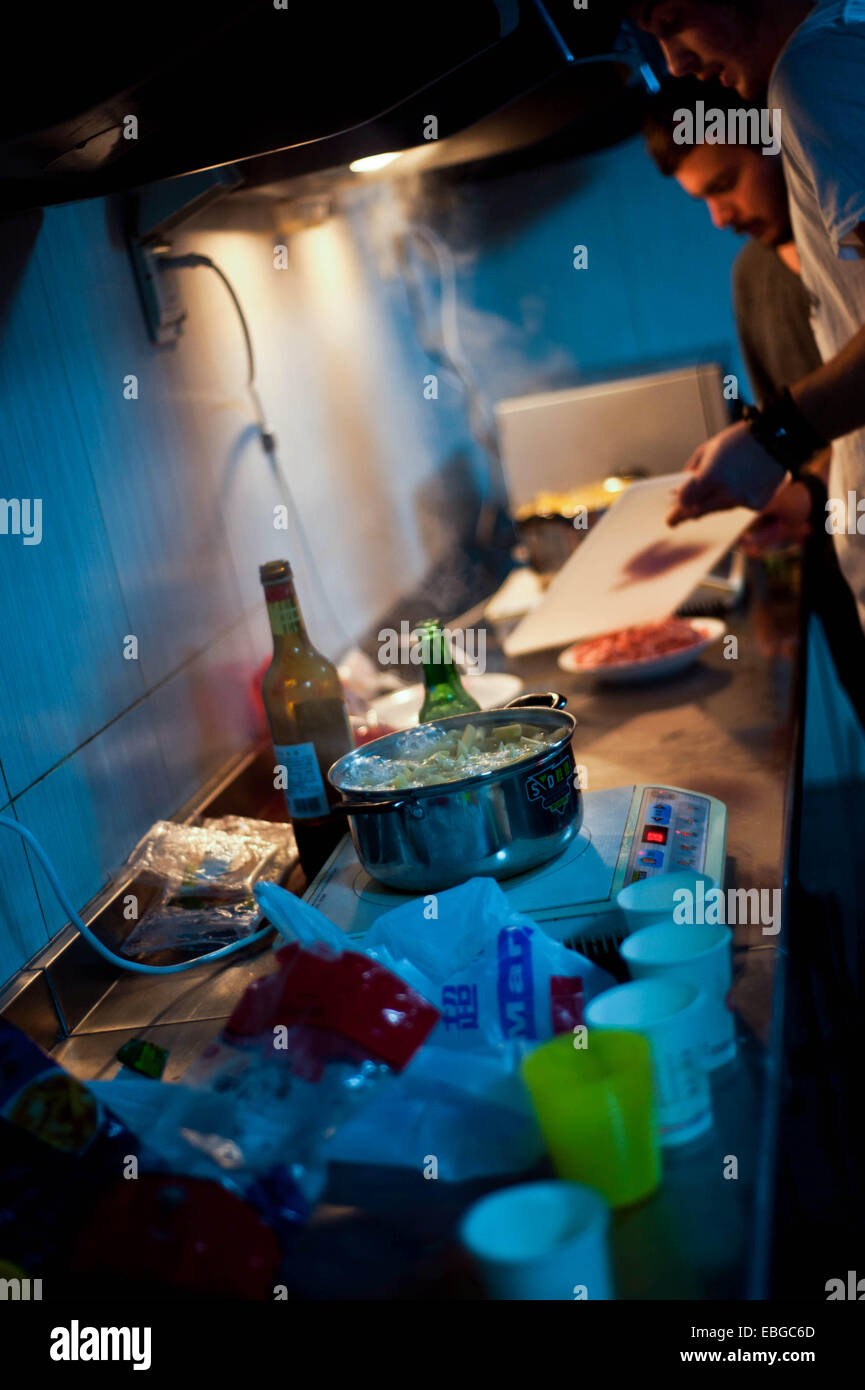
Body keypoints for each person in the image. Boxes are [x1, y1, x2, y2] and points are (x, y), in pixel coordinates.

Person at [633, 0, 865, 640]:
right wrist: (802, 490)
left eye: (672, 18)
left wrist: (773, 438)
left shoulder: (809, 69)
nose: (674, 62)